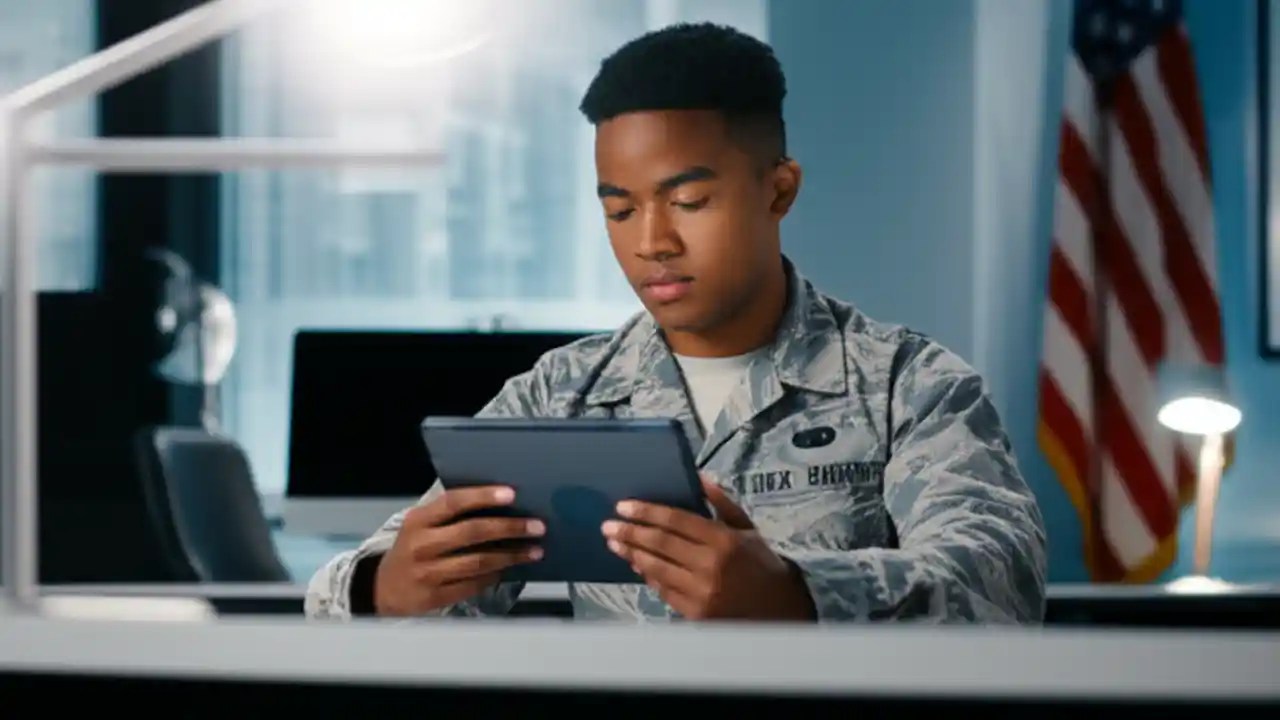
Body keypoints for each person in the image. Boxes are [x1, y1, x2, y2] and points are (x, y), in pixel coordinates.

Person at [305, 22, 1048, 624]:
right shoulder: (559, 398)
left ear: (778, 189)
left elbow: (998, 578)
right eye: (619, 209)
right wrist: (385, 589)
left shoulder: (908, 388)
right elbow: (354, 593)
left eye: (689, 203)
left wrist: (799, 595)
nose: (651, 241)